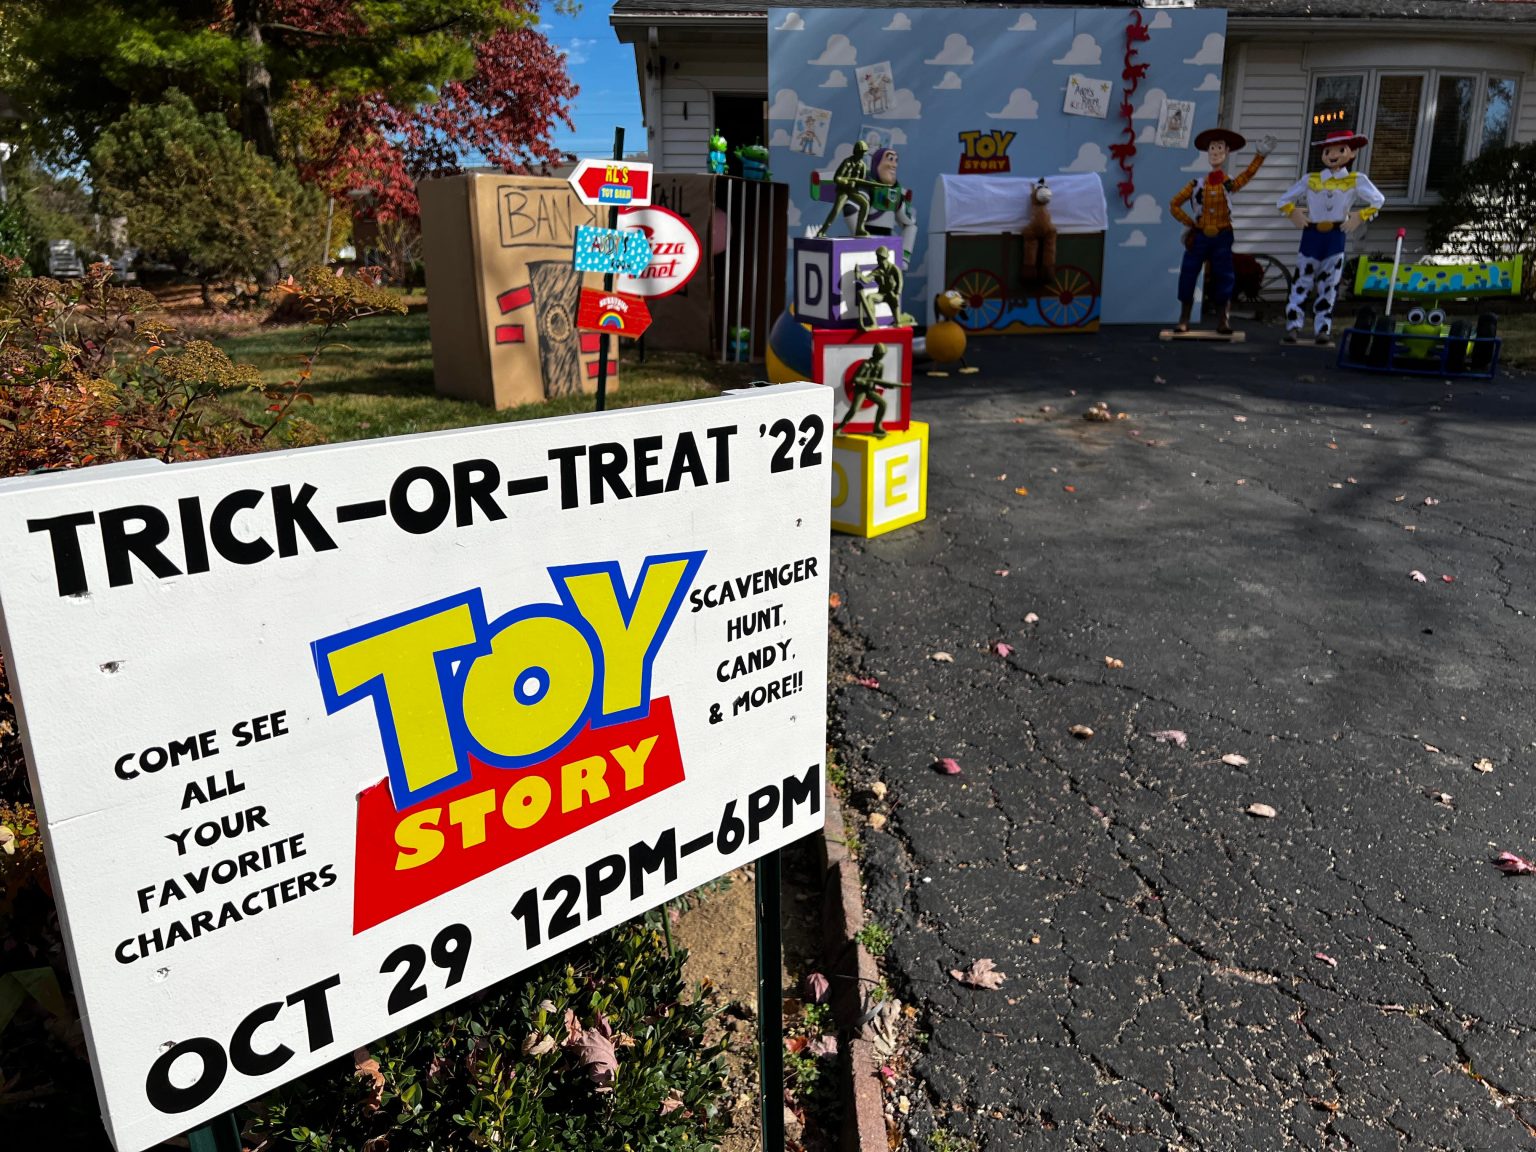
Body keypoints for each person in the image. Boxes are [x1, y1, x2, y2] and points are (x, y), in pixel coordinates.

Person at [1275, 128, 1386, 345]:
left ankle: (1322, 329)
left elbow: (1378, 199)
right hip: (1311, 234)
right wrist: (1293, 212)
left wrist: (1360, 216)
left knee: (1329, 284)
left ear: (1351, 153)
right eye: (1328, 151)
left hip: (1335, 235)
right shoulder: (1311, 179)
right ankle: (1293, 326)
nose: (1333, 155)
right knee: (1302, 281)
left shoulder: (1355, 180)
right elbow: (1283, 200)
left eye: (1340, 150)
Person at [1169, 128, 1276, 334]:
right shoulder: (1196, 184)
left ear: (1227, 151)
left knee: (1224, 275)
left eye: (1219, 148)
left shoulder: (1228, 183)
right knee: (1188, 272)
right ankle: (1184, 318)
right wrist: (1190, 222)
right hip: (1200, 235)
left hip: (1222, 235)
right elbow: (1174, 204)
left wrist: (1260, 156)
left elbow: (1247, 175)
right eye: (1212, 148)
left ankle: (1223, 319)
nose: (1215, 152)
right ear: (1207, 152)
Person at [836, 344, 905, 437]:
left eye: (882, 355)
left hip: (870, 390)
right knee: (854, 409)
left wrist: (888, 386)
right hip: (861, 390)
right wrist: (865, 382)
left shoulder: (880, 366)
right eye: (880, 354)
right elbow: (856, 379)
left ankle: (877, 427)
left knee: (883, 404)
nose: (881, 357)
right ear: (875, 353)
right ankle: (839, 429)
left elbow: (879, 381)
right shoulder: (866, 365)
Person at [817, 141, 872, 238]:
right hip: (843, 191)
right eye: (861, 152)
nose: (862, 155)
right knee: (836, 210)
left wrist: (866, 184)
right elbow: (837, 178)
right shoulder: (847, 162)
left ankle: (859, 229)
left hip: (852, 191)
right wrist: (846, 181)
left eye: (863, 153)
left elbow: (861, 181)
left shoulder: (862, 165)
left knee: (865, 204)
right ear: (856, 152)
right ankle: (822, 231)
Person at [856, 247, 915, 330]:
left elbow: (900, 282)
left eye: (879, 258)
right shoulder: (877, 271)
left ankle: (907, 318)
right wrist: (859, 275)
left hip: (892, 295)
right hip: (882, 294)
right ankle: (874, 324)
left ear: (884, 258)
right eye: (878, 258)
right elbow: (867, 280)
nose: (877, 260)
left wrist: (897, 294)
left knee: (898, 323)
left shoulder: (894, 269)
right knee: (870, 297)